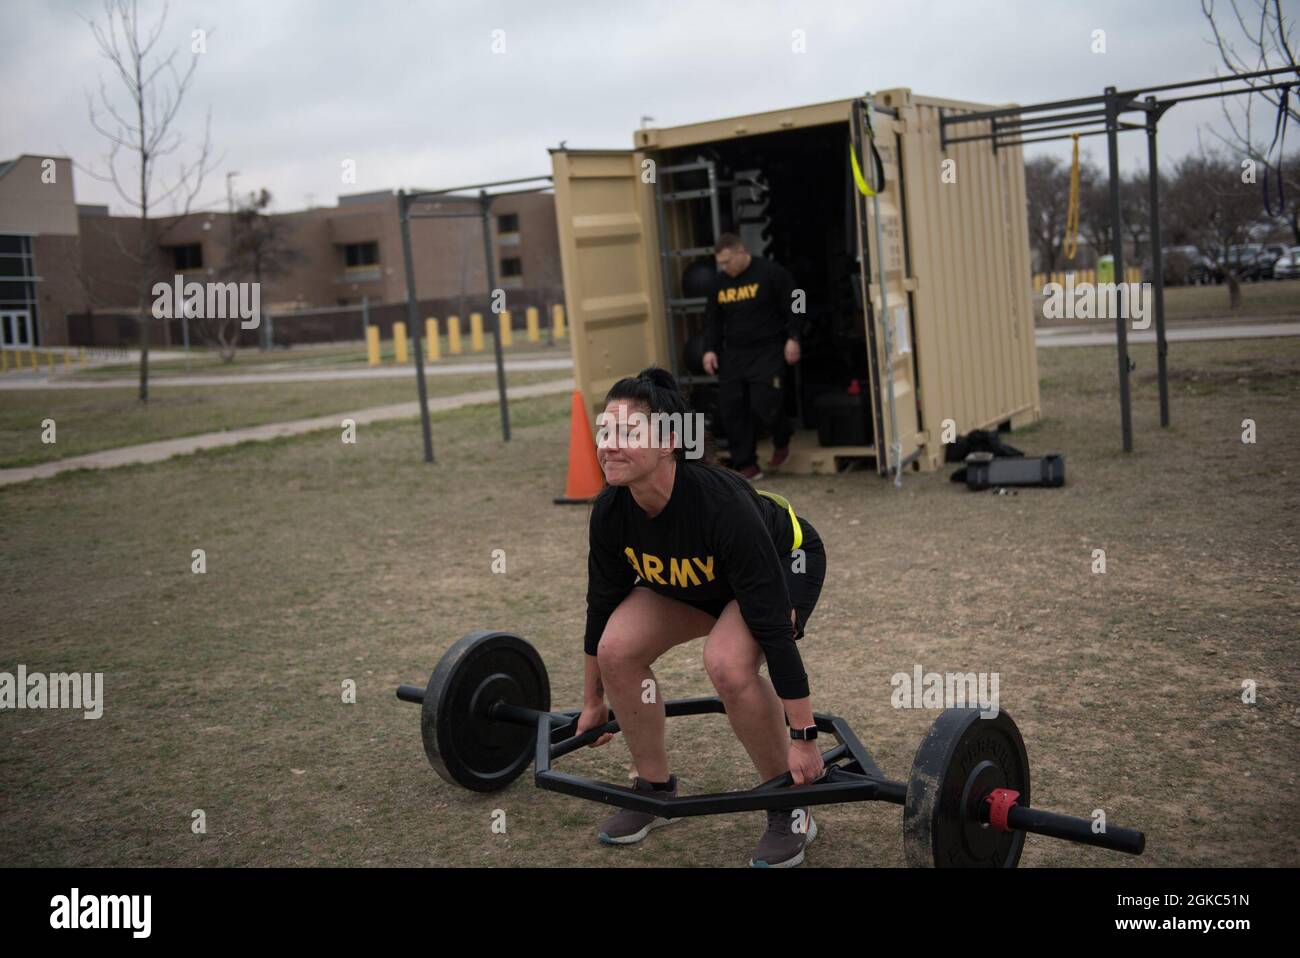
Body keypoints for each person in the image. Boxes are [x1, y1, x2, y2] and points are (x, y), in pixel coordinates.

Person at [578, 366, 829, 867]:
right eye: (604, 431)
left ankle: (788, 803)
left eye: (628, 433)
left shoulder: (722, 503)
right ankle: (654, 787)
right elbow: (600, 607)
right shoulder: (611, 510)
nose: (609, 444)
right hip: (697, 580)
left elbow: (775, 633)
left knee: (728, 663)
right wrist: (592, 700)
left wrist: (804, 738)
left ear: (669, 442)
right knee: (616, 650)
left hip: (785, 561)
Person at [701, 233, 801, 481]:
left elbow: (799, 298)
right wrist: (709, 349)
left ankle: (781, 439)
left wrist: (795, 336)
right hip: (734, 353)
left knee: (765, 402)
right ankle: (746, 464)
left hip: (769, 349)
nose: (724, 268)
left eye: (727, 261)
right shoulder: (719, 283)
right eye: (720, 264)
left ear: (742, 252)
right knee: (732, 408)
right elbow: (712, 319)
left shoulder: (770, 272)